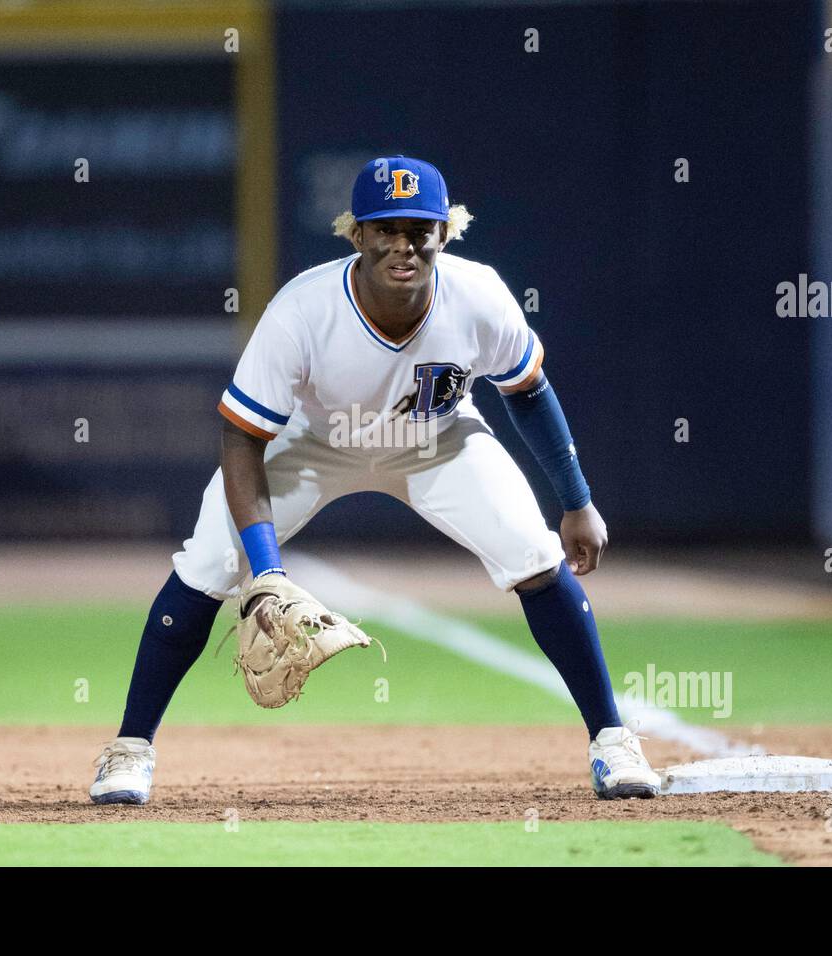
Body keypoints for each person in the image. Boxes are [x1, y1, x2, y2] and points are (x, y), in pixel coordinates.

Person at [89, 155, 661, 803]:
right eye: (385, 228)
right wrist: (266, 568)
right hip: (313, 442)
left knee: (533, 552)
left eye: (419, 227)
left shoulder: (478, 295)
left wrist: (577, 500)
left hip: (437, 442)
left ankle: (613, 740)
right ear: (355, 234)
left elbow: (528, 390)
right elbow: (241, 436)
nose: (403, 244)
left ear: (446, 231)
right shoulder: (302, 311)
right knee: (207, 564)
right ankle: (130, 749)